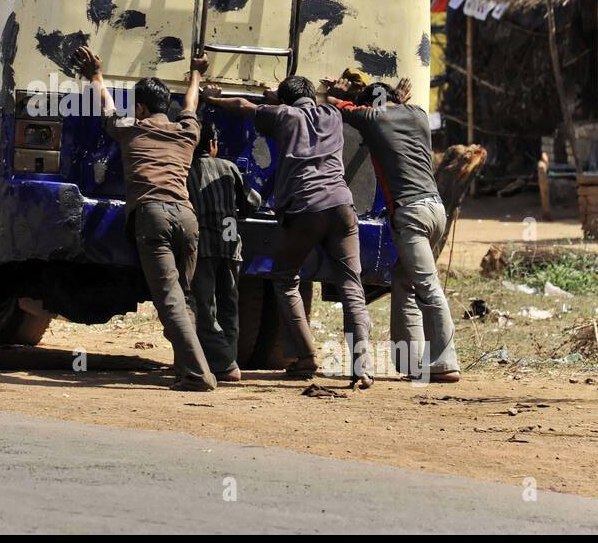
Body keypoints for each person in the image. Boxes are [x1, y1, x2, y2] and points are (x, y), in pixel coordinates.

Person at [205, 76, 373, 387]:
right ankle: (361, 367)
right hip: (341, 207)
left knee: (284, 278)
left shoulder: (282, 116)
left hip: (304, 210)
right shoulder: (332, 115)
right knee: (352, 285)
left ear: (283, 100)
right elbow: (340, 99)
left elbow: (243, 106)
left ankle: (306, 357)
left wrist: (213, 99)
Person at [73, 45, 217, 391]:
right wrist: (196, 73)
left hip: (152, 217)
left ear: (139, 107)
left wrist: (96, 75)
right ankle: (185, 369)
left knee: (168, 299)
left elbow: (106, 107)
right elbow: (191, 105)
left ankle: (199, 374)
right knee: (184, 296)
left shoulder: (131, 129)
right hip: (187, 218)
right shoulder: (187, 133)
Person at [326, 73, 460, 383]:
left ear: (370, 104)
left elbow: (337, 105)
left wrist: (337, 91)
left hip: (410, 214)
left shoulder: (371, 118)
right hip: (436, 211)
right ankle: (410, 361)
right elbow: (393, 106)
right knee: (403, 279)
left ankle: (444, 363)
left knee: (428, 287)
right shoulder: (417, 114)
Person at [187, 118, 262, 382]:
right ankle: (228, 359)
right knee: (229, 305)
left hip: (203, 247)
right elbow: (252, 201)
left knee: (205, 307)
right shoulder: (229, 168)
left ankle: (224, 364)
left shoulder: (186, 171)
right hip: (230, 246)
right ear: (213, 144)